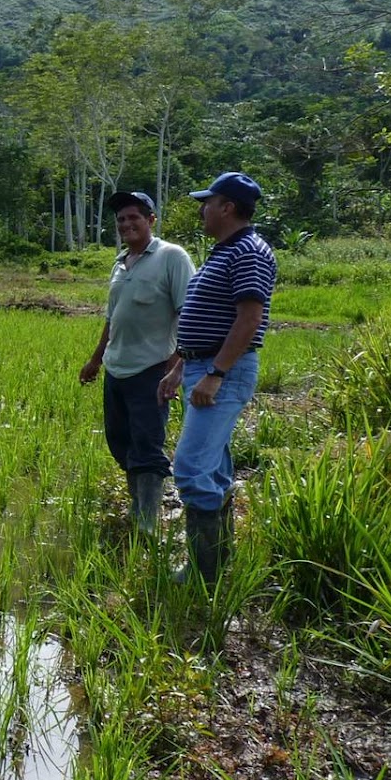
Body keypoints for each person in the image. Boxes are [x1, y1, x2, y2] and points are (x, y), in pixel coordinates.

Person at [158, 171, 277, 584]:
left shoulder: (248, 251)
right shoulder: (225, 251)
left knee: (190, 468)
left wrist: (216, 373)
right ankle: (217, 565)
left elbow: (250, 318)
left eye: (207, 202)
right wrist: (180, 368)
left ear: (228, 207)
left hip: (222, 371)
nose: (201, 209)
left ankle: (204, 574)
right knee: (213, 468)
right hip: (201, 366)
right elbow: (210, 319)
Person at [79, 190, 195, 535]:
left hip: (152, 370)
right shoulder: (120, 262)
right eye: (121, 220)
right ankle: (138, 503)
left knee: (147, 444)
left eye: (134, 217)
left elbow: (187, 314)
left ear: (151, 221)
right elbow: (113, 318)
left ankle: (146, 520)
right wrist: (96, 359)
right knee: (119, 440)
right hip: (117, 368)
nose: (126, 224)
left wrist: (176, 368)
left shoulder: (172, 257)